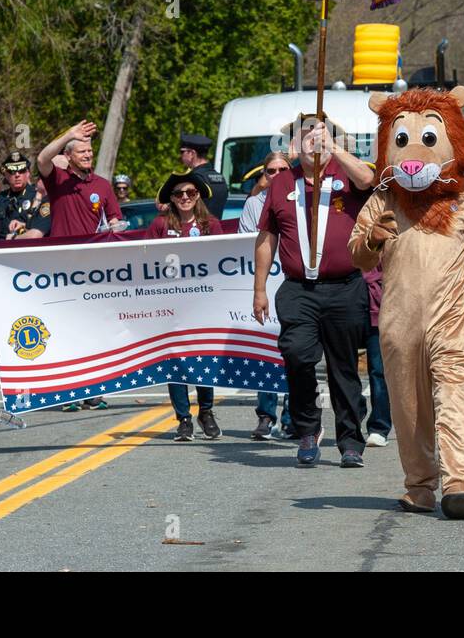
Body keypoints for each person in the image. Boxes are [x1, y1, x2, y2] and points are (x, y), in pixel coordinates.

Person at [254, 115, 374, 467]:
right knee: (296, 355)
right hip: (298, 291)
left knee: (344, 368)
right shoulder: (281, 183)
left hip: (344, 289)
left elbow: (368, 179)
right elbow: (266, 237)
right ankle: (307, 429)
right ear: (294, 144)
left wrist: (333, 148)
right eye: (304, 134)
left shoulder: (345, 174)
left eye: (318, 133)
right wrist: (259, 288)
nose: (311, 139)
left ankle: (351, 440)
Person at [147, 171, 225, 440]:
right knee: (175, 362)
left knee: (203, 358)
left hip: (203, 305)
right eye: (178, 193)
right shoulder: (159, 225)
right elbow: (145, 262)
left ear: (198, 195)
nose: (184, 198)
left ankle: (206, 411)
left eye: (190, 193)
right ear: (171, 198)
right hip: (170, 305)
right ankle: (183, 419)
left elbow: (222, 262)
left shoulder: (211, 225)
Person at [238, 152, 295, 440]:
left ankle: (294, 417)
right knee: (269, 352)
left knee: (297, 354)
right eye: (271, 171)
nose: (277, 175)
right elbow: (248, 246)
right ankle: (266, 415)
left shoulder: (303, 198)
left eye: (283, 169)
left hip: (296, 285)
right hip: (267, 284)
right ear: (265, 174)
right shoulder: (253, 205)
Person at [37, 122, 122, 238]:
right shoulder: (57, 178)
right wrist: (69, 135)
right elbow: (42, 160)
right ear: (68, 156)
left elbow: (114, 219)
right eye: (82, 152)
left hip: (93, 251)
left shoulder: (103, 184)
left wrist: (115, 227)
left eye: (90, 150)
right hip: (63, 251)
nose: (87, 155)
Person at [0, 152, 42, 240]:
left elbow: (40, 230)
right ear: (6, 175)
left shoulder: (37, 196)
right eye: (12, 172)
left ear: (27, 173)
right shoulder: (0, 199)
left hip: (28, 247)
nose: (17, 175)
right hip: (3, 249)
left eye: (21, 171)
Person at [179, 133, 229, 219]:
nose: (180, 155)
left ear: (192, 154)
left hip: (196, 231)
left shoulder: (193, 179)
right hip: (217, 230)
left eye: (182, 152)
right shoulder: (220, 178)